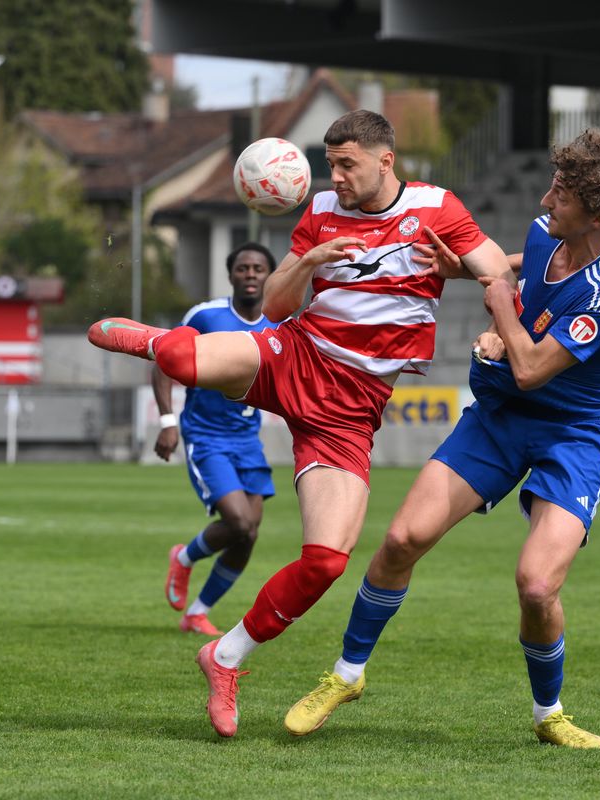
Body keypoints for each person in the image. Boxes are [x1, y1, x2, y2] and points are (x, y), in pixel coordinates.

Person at [88, 109, 512, 737]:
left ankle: (224, 656)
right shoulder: (318, 212)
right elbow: (279, 306)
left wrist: (496, 322)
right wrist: (312, 257)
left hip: (352, 408)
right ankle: (158, 344)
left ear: (385, 159)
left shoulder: (437, 206)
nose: (335, 177)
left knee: (325, 563)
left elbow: (498, 270)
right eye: (330, 164)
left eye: (348, 164)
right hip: (297, 354)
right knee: (182, 356)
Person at [283, 129, 600, 749]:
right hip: (500, 416)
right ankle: (345, 675)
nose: (545, 198)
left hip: (574, 434)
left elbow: (532, 367)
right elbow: (516, 267)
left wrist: (500, 315)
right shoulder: (544, 234)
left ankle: (549, 714)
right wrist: (461, 271)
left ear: (599, 213)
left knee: (536, 585)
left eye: (561, 194)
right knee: (402, 539)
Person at [155, 243, 278, 636]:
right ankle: (186, 557)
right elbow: (164, 359)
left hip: (247, 438)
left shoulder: (278, 325)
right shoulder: (206, 316)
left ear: (269, 276)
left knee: (249, 533)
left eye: (259, 268)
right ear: (231, 275)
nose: (251, 273)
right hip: (206, 436)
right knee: (239, 522)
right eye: (243, 267)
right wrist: (167, 421)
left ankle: (197, 612)